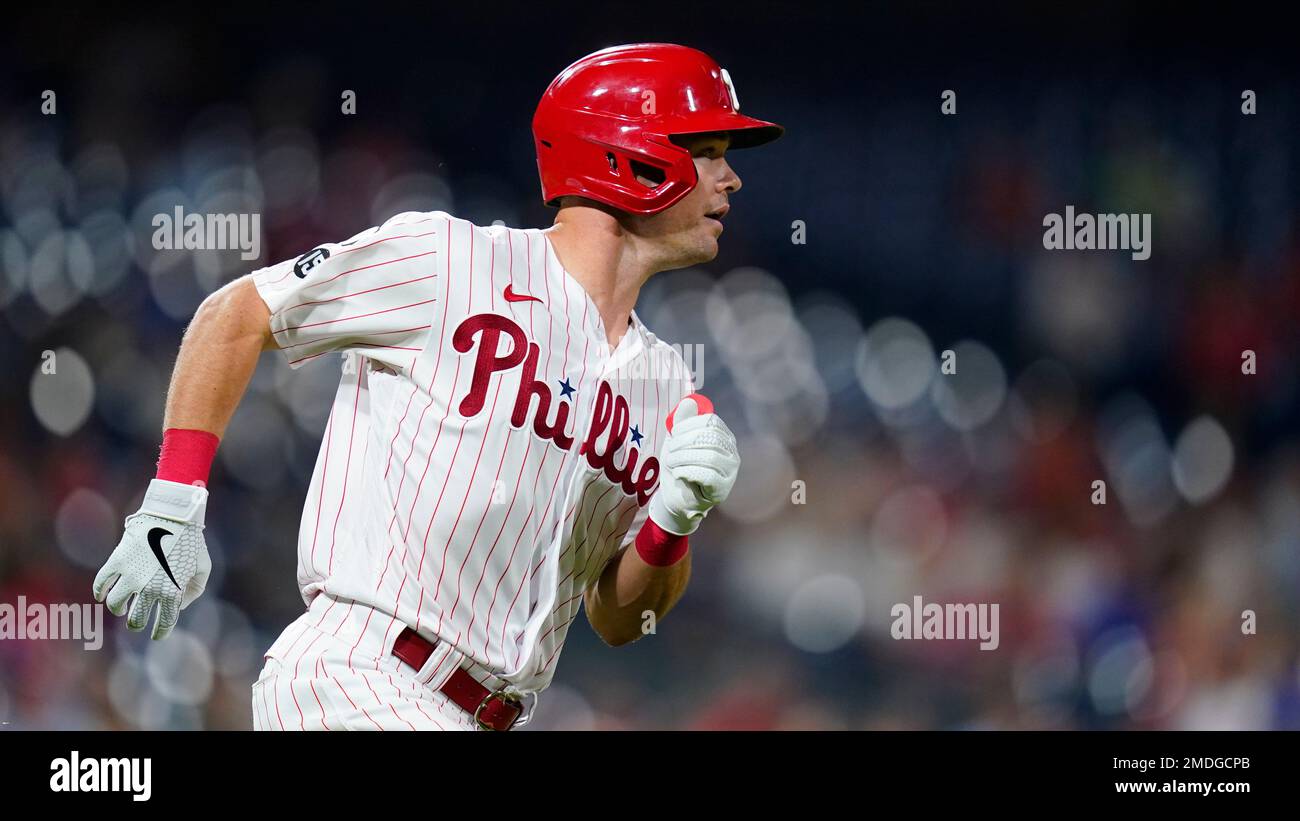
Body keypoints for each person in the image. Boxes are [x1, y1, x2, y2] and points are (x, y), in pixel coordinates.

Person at [92, 42, 784, 730]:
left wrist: (674, 521)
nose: (731, 179)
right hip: (359, 674)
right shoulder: (453, 260)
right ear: (629, 154)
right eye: (709, 150)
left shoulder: (665, 383)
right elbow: (238, 313)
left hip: (486, 715)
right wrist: (172, 504)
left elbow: (621, 618)